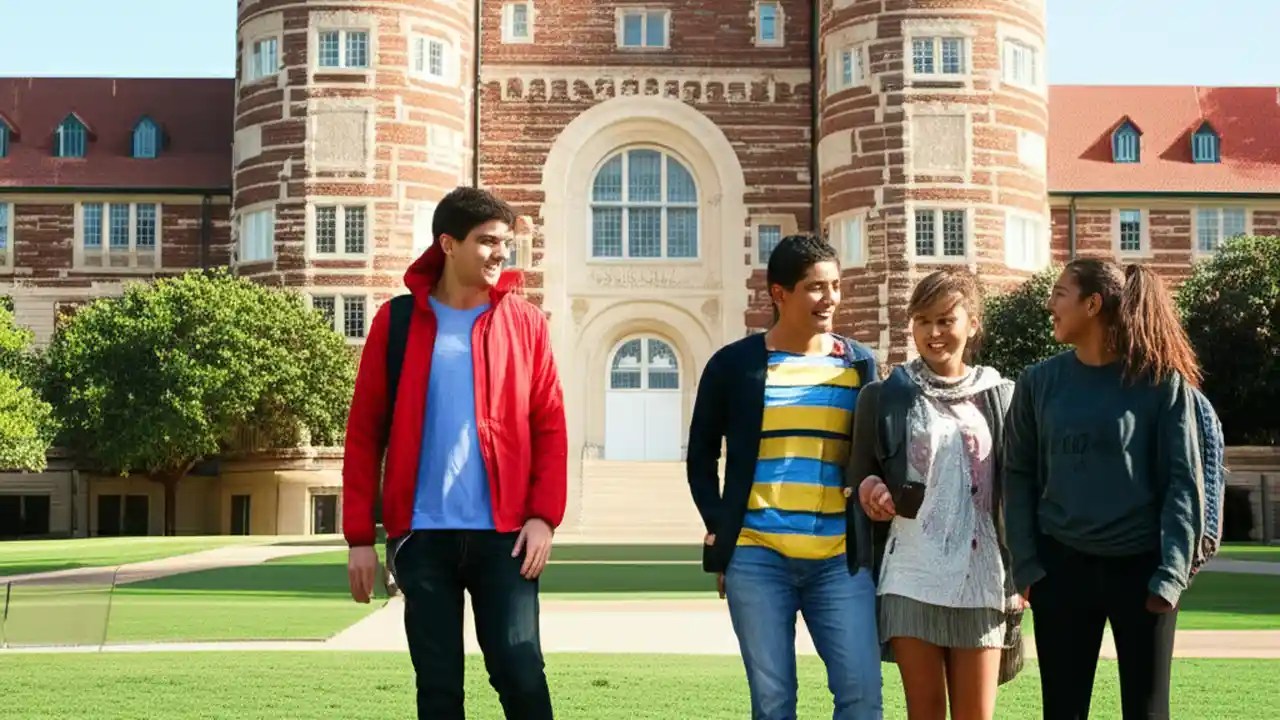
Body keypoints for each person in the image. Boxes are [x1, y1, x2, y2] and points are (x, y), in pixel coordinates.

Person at [342, 186, 568, 720]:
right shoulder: (395, 322)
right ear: (448, 243)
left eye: (505, 243)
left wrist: (543, 517)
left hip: (506, 537)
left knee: (521, 674)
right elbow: (363, 433)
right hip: (422, 536)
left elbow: (550, 426)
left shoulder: (527, 323)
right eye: (487, 241)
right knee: (439, 689)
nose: (500, 254)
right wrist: (359, 538)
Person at [687, 233, 883, 720]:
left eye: (835, 285)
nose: (831, 298)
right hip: (758, 558)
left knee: (862, 696)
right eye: (816, 287)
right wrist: (719, 525)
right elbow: (700, 455)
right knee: (773, 705)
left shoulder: (858, 364)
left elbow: (875, 453)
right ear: (780, 294)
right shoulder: (734, 366)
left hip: (841, 559)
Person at [1003, 258, 1202, 720]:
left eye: (1059, 293)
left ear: (1093, 304)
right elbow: (1017, 474)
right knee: (1064, 711)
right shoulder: (1038, 383)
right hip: (1060, 573)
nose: (1049, 304)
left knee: (1148, 712)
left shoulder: (1160, 383)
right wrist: (1028, 566)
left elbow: (1183, 483)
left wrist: (1171, 575)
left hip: (1143, 576)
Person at [847, 269, 1026, 720]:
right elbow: (859, 476)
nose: (933, 332)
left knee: (975, 716)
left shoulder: (1003, 397)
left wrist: (1025, 568)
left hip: (983, 575)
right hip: (911, 574)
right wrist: (871, 492)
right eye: (922, 320)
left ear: (973, 322)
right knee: (923, 712)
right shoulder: (884, 396)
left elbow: (1024, 488)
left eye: (946, 319)